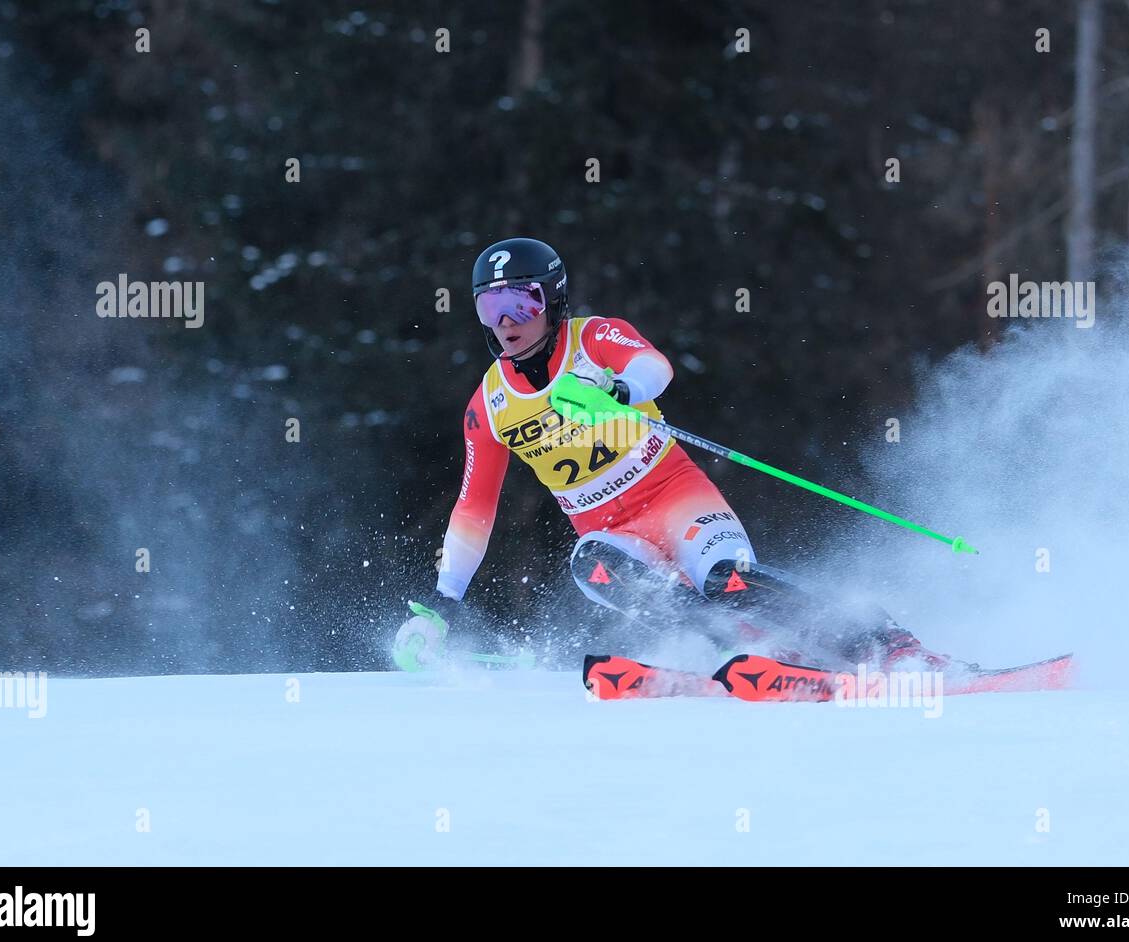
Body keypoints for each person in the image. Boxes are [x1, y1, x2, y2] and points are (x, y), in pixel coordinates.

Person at [392, 237, 938, 672]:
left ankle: (884, 641)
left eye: (522, 301)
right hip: (612, 533)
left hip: (678, 500)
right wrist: (445, 603)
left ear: (552, 299)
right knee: (593, 563)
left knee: (727, 579)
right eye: (491, 307)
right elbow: (473, 510)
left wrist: (620, 392)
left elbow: (656, 368)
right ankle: (730, 647)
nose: (506, 321)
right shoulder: (489, 404)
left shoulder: (594, 338)